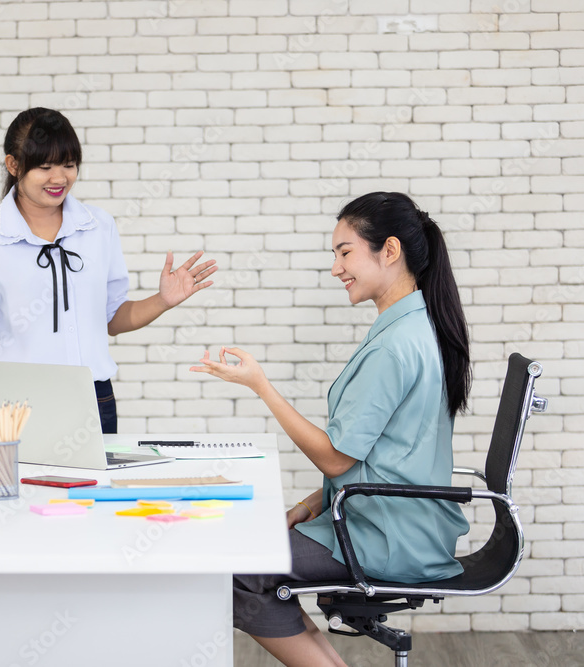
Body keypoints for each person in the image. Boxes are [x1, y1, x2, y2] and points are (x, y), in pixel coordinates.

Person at [190, 192, 471, 667]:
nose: (337, 267)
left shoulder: (394, 346)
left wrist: (261, 386)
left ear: (390, 251)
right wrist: (306, 506)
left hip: (385, 537)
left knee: (237, 566)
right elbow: (383, 454)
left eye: (345, 252)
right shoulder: (412, 325)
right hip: (389, 521)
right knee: (250, 561)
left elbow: (338, 459)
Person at [0, 107, 216, 433]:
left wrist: (163, 300)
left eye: (69, 165)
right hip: (13, 403)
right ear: (13, 165)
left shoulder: (99, 227)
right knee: (10, 485)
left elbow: (113, 319)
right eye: (45, 167)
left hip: (91, 398)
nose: (59, 178)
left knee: (92, 486)